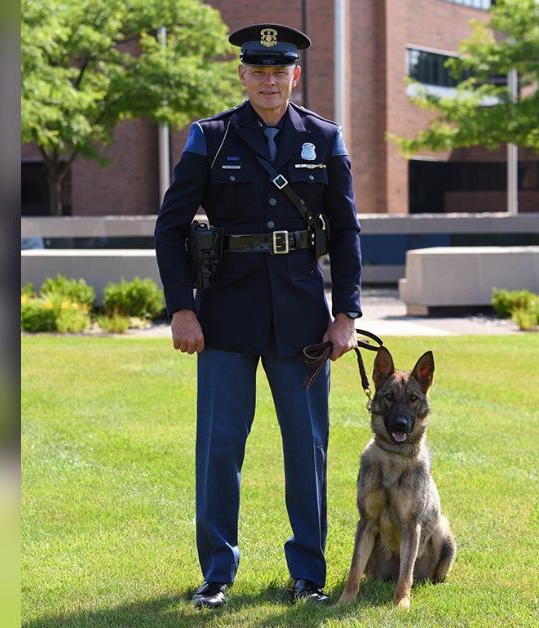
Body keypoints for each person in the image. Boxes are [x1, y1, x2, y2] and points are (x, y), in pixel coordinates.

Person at [153, 23, 363, 609]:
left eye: (280, 71)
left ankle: (309, 574)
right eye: (259, 71)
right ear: (242, 74)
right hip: (224, 314)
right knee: (220, 447)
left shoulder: (325, 139)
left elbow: (346, 232)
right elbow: (170, 227)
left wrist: (346, 312)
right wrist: (182, 308)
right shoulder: (211, 137)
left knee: (308, 447)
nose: (269, 81)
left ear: (295, 76)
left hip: (301, 318)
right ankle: (217, 573)